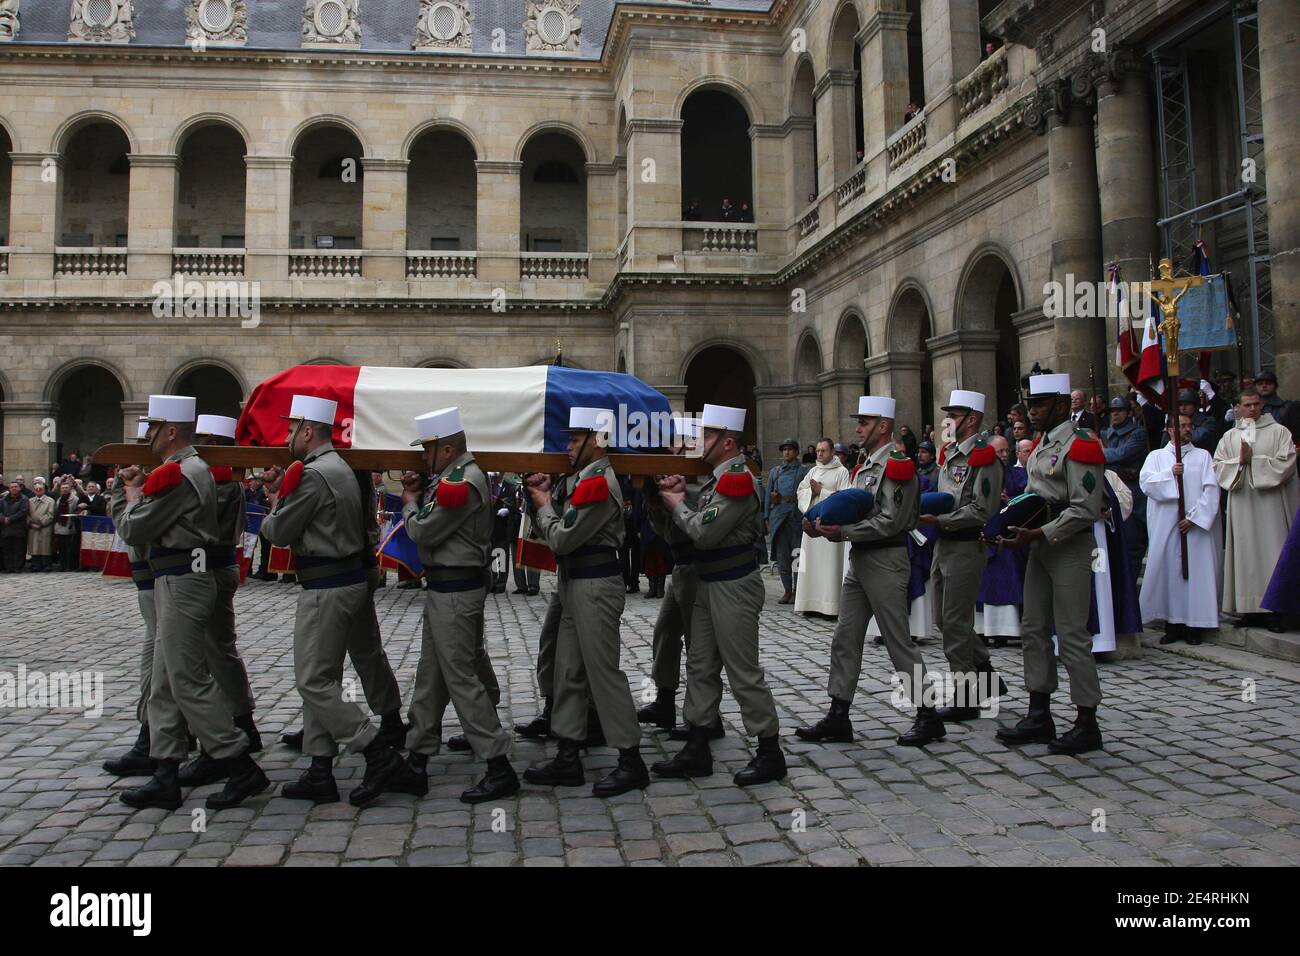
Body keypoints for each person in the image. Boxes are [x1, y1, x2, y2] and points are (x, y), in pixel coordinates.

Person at [111, 394, 269, 811]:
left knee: (186, 681)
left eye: (152, 427)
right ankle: (165, 772)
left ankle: (238, 763)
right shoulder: (182, 470)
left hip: (183, 579)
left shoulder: (177, 475)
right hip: (177, 576)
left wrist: (126, 493)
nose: (147, 436)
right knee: (164, 683)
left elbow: (134, 528)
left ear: (171, 431)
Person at [259, 393, 409, 807]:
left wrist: (275, 502)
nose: (287, 435)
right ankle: (319, 767)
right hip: (345, 578)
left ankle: (374, 750)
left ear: (308, 431)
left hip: (325, 586)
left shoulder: (310, 475)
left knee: (313, 680)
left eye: (292, 429)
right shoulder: (340, 467)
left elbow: (278, 533)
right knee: (324, 672)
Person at [652, 404, 788, 785]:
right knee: (700, 665)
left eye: (706, 435)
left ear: (728, 442)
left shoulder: (737, 480)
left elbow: (705, 532)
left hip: (733, 584)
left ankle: (769, 750)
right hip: (710, 582)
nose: (697, 441)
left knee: (742, 670)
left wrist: (677, 504)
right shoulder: (715, 480)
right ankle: (697, 744)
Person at [796, 395, 941, 748]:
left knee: (896, 640)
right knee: (845, 637)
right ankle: (838, 714)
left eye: (865, 422)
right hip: (861, 559)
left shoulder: (897, 466)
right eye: (858, 421)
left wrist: (844, 532)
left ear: (884, 426)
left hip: (885, 559)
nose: (858, 427)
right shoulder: (865, 465)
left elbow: (893, 520)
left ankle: (928, 714)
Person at [522, 407, 649, 797]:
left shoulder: (596, 483)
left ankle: (631, 760)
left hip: (594, 584)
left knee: (602, 674)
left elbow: (561, 538)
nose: (567, 447)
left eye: (575, 440)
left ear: (597, 441)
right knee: (569, 671)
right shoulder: (580, 479)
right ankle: (567, 754)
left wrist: (543, 503)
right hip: (576, 581)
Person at [398, 406, 519, 804]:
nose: (422, 458)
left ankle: (498, 764)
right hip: (446, 590)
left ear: (446, 450)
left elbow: (422, 531)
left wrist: (410, 500)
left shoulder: (460, 482)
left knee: (460, 679)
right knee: (430, 676)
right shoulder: (453, 476)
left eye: (427, 450)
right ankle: (416, 758)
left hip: (455, 591)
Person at [996, 371, 1106, 755]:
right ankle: (1039, 711)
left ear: (1061, 404)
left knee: (1073, 634)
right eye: (1030, 405)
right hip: (1039, 545)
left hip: (1069, 546)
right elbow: (1033, 494)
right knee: (1033, 628)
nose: (1033, 412)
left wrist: (1039, 533)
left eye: (1040, 404)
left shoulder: (1081, 445)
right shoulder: (1042, 445)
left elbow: (1086, 507)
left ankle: (1086, 721)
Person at [173, 414, 263, 788]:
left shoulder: (222, 481)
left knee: (207, 654)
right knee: (217, 652)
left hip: (211, 565)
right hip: (216, 565)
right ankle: (238, 722)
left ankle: (229, 731)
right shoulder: (219, 477)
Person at [925, 390, 1007, 721]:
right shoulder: (951, 454)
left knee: (956, 623)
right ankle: (985, 674)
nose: (948, 421)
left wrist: (940, 519)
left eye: (954, 415)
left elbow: (982, 509)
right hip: (944, 543)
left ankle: (966, 695)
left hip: (966, 543)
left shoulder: (984, 458)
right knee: (943, 619)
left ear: (971, 419)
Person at [638, 417, 705, 736]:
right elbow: (665, 532)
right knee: (665, 634)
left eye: (675, 444)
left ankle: (706, 717)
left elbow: (695, 528)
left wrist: (672, 501)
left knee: (698, 644)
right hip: (680, 567)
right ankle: (664, 699)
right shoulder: (675, 480)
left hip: (698, 568)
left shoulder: (698, 485)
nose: (668, 449)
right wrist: (654, 504)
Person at [102, 422, 162, 777]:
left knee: (162, 667)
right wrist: (125, 488)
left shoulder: (167, 480)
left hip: (164, 581)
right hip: (150, 580)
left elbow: (131, 528)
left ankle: (154, 741)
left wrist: (132, 491)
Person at [1213, 387, 1299, 627]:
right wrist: (1239, 463)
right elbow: (1218, 466)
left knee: (1272, 551)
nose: (1252, 409)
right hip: (1242, 502)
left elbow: (1287, 464)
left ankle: (1274, 611)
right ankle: (1247, 609)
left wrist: (1254, 461)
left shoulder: (1279, 432)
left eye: (1256, 404)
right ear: (1237, 408)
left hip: (1270, 505)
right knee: (1244, 555)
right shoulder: (1229, 437)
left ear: (1262, 405)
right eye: (1247, 405)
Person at [1140, 413, 1222, 645]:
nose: (1187, 429)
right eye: (1182, 426)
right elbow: (1146, 483)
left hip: (1195, 527)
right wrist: (1170, 475)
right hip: (1167, 524)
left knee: (1196, 574)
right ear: (1168, 430)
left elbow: (1211, 489)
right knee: (1170, 574)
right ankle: (1172, 624)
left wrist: (1194, 518)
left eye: (1189, 425)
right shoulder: (1156, 457)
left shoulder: (1202, 456)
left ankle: (1195, 625)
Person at [795, 438, 851, 617]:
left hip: (830, 526)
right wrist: (811, 492)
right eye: (818, 451)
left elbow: (845, 498)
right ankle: (810, 603)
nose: (819, 454)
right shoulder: (813, 470)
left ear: (832, 452)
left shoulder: (842, 472)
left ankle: (829, 607)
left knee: (829, 567)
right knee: (811, 564)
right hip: (812, 524)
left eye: (823, 451)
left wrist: (822, 492)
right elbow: (800, 491)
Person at [1100, 395, 1149, 570]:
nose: (1115, 414)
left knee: (1132, 545)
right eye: (1113, 411)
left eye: (1119, 410)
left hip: (1132, 492)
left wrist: (1100, 452)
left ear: (1128, 413)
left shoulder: (1138, 433)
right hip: (1111, 490)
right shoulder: (1105, 433)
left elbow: (1123, 453)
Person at [765, 438, 808, 604]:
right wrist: (766, 518)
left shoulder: (804, 470)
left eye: (790, 449)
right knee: (782, 557)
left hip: (796, 517)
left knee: (798, 555)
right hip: (779, 518)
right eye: (784, 449)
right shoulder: (775, 471)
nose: (787, 452)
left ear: (796, 452)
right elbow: (768, 495)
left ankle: (798, 589)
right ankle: (787, 590)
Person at [26, 478, 54, 572]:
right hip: (33, 527)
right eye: (36, 489)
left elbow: (50, 514)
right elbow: (27, 514)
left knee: (45, 546)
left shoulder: (50, 501)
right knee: (34, 546)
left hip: (45, 527)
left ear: (44, 490)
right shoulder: (30, 501)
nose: (38, 491)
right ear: (34, 490)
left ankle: (46, 565)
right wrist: (30, 523)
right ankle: (35, 565)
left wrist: (41, 523)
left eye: (40, 489)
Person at [53, 478, 80, 571]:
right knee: (61, 548)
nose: (64, 489)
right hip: (59, 526)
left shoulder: (75, 499)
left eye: (66, 488)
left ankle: (69, 565)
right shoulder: (59, 499)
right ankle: (62, 565)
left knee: (69, 548)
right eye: (63, 488)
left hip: (69, 526)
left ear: (70, 489)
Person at [2, 480, 28, 571]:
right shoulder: (3, 499)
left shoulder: (24, 499)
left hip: (18, 528)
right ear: (9, 489)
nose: (14, 488)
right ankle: (9, 567)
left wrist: (10, 519)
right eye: (12, 487)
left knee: (18, 549)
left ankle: (17, 567)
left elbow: (23, 512)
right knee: (7, 549)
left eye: (15, 487)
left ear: (19, 488)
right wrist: (3, 518)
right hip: (6, 528)